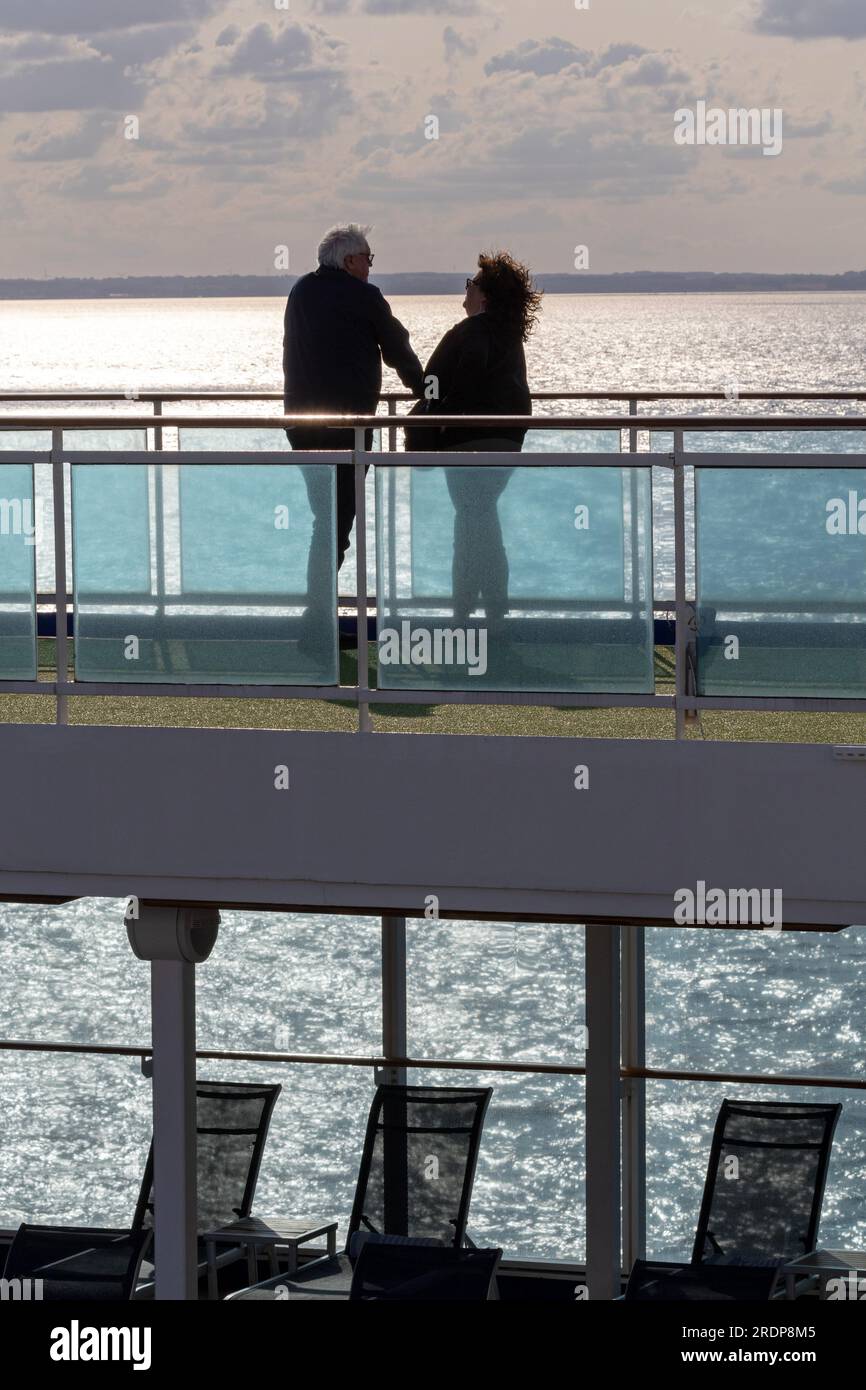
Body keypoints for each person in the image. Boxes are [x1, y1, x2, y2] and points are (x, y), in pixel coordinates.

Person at [283, 224, 424, 637]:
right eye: (368, 258)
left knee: (324, 520)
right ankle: (316, 621)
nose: (370, 265)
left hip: (301, 427)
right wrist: (429, 393)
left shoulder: (300, 292)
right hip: (348, 431)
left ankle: (316, 614)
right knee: (335, 523)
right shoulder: (365, 297)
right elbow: (399, 351)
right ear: (349, 261)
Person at [407, 251, 542, 629]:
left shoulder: (469, 332)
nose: (465, 290)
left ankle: (464, 614)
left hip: (466, 444)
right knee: (484, 519)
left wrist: (442, 415)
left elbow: (431, 383)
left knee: (468, 523)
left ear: (483, 296)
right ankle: (496, 610)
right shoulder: (510, 338)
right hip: (507, 445)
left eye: (470, 283)